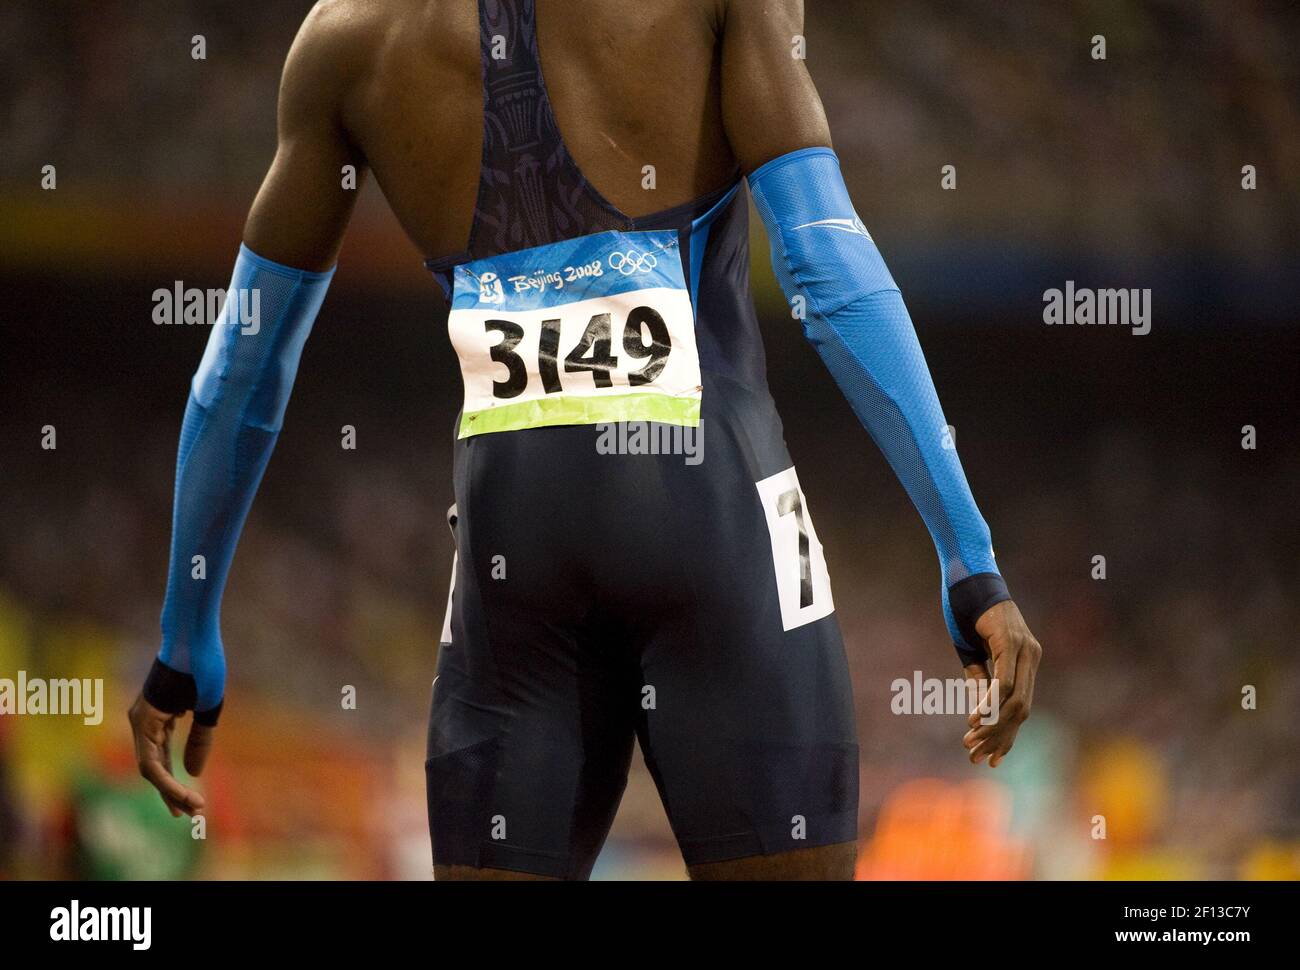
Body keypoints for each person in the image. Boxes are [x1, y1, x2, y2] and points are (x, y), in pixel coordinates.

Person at [129, 0, 1043, 881]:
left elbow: (240, 374)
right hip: (719, 520)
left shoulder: (344, 36)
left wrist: (186, 633)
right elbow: (827, 264)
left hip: (508, 563)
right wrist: (969, 557)